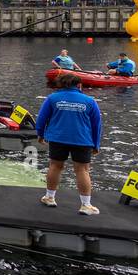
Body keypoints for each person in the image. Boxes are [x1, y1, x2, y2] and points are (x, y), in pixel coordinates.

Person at [35, 72, 103, 215]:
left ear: (61, 84)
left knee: (55, 166)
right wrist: (96, 144)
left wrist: (41, 134)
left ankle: (49, 197)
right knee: (82, 170)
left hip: (57, 138)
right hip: (82, 140)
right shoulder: (90, 101)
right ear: (79, 85)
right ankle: (86, 205)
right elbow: (97, 125)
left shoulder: (52, 98)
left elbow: (41, 118)